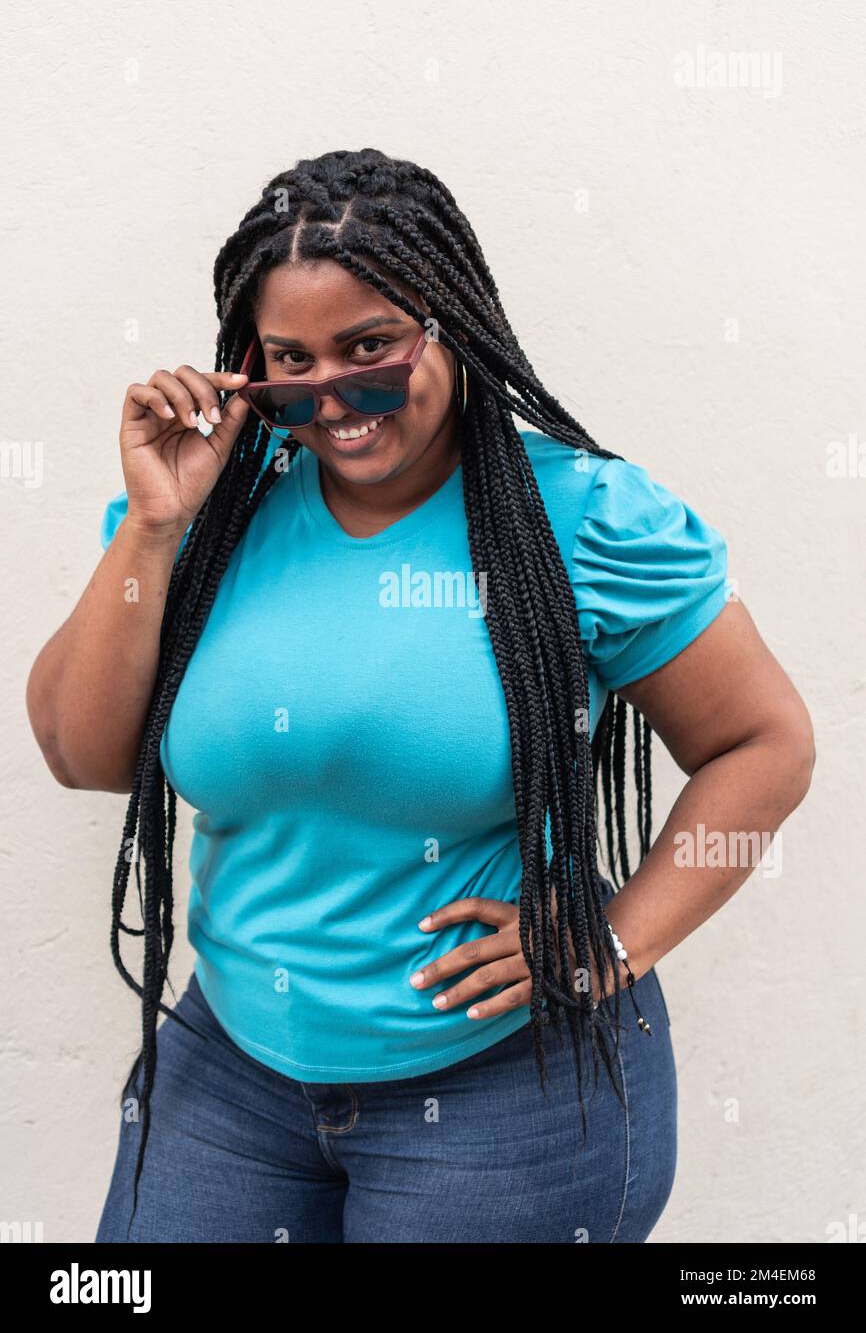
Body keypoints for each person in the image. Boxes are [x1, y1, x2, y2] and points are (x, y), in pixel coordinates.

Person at [26, 148, 815, 1244]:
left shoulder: (582, 518)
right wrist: (154, 525)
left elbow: (763, 744)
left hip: (504, 1095)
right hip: (231, 1075)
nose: (333, 399)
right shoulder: (206, 521)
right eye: (289, 364)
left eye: (369, 352)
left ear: (454, 326)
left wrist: (606, 943)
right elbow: (81, 751)